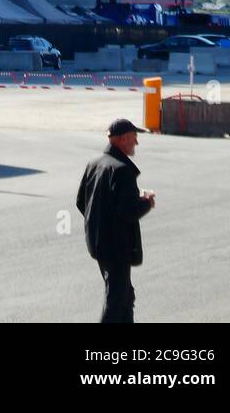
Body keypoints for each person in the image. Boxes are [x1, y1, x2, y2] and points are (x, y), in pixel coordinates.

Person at [76, 117, 155, 323]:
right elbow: (127, 212)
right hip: (117, 247)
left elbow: (81, 201)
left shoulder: (95, 163)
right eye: (133, 138)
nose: (136, 143)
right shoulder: (122, 170)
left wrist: (99, 222)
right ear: (120, 140)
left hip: (99, 243)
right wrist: (146, 202)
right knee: (117, 300)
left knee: (125, 295)